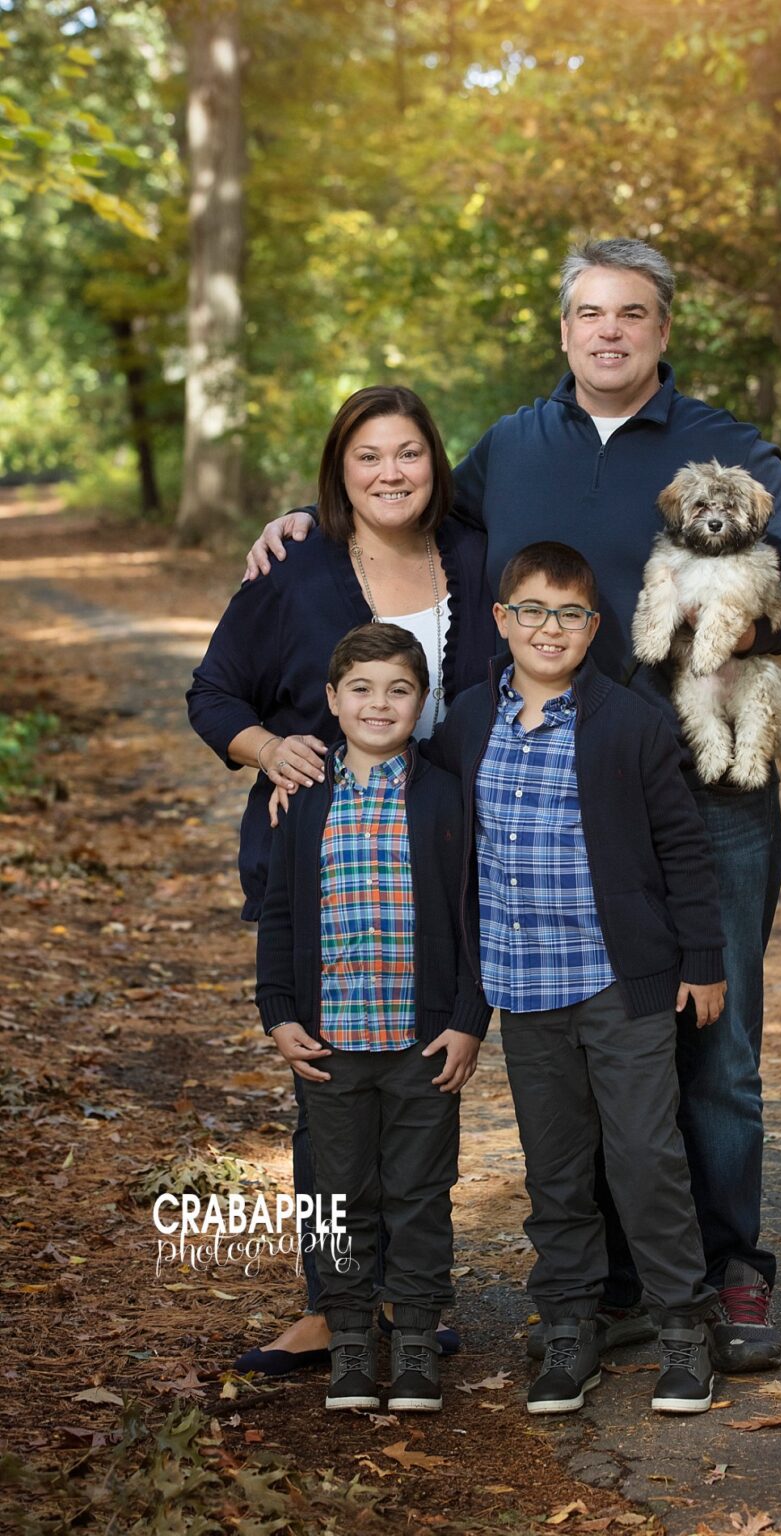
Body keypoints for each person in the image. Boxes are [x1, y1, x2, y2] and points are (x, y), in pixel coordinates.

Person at [243, 237, 781, 1373]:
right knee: (581, 1049)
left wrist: (736, 635)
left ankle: (731, 1277)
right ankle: (613, 1286)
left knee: (714, 1045)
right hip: (545, 800)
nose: (608, 331)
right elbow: (404, 511)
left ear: (662, 332)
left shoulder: (727, 444)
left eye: (631, 313)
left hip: (706, 788)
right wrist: (297, 517)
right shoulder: (510, 447)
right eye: (587, 312)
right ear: (563, 328)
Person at [187, 385, 495, 1374]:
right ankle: (330, 1302)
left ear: (433, 463)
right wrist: (268, 748)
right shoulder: (296, 566)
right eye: (368, 457)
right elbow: (212, 691)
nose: (390, 474)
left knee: (422, 1092)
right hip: (326, 862)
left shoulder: (476, 555)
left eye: (408, 453)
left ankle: (412, 1299)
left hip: (449, 861)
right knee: (327, 1091)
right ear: (340, 469)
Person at [428, 541, 725, 1415]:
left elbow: (682, 849)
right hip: (522, 989)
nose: (547, 629)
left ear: (593, 627)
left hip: (619, 983)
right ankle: (569, 1324)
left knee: (644, 1158)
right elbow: (448, 853)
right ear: (501, 620)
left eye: (567, 615)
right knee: (556, 1170)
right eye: (530, 611)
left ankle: (682, 1326)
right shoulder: (467, 722)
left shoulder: (630, 724)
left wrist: (702, 960)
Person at [257, 623, 490, 1412]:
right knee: (340, 1191)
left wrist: (468, 1017)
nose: (379, 704)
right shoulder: (304, 796)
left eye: (398, 689)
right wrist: (278, 1011)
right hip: (331, 1042)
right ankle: (351, 1338)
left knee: (420, 1193)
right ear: (332, 699)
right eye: (360, 688)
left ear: (421, 704)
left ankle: (417, 1339)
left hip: (422, 1041)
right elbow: (282, 913)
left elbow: (471, 916)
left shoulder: (444, 796)